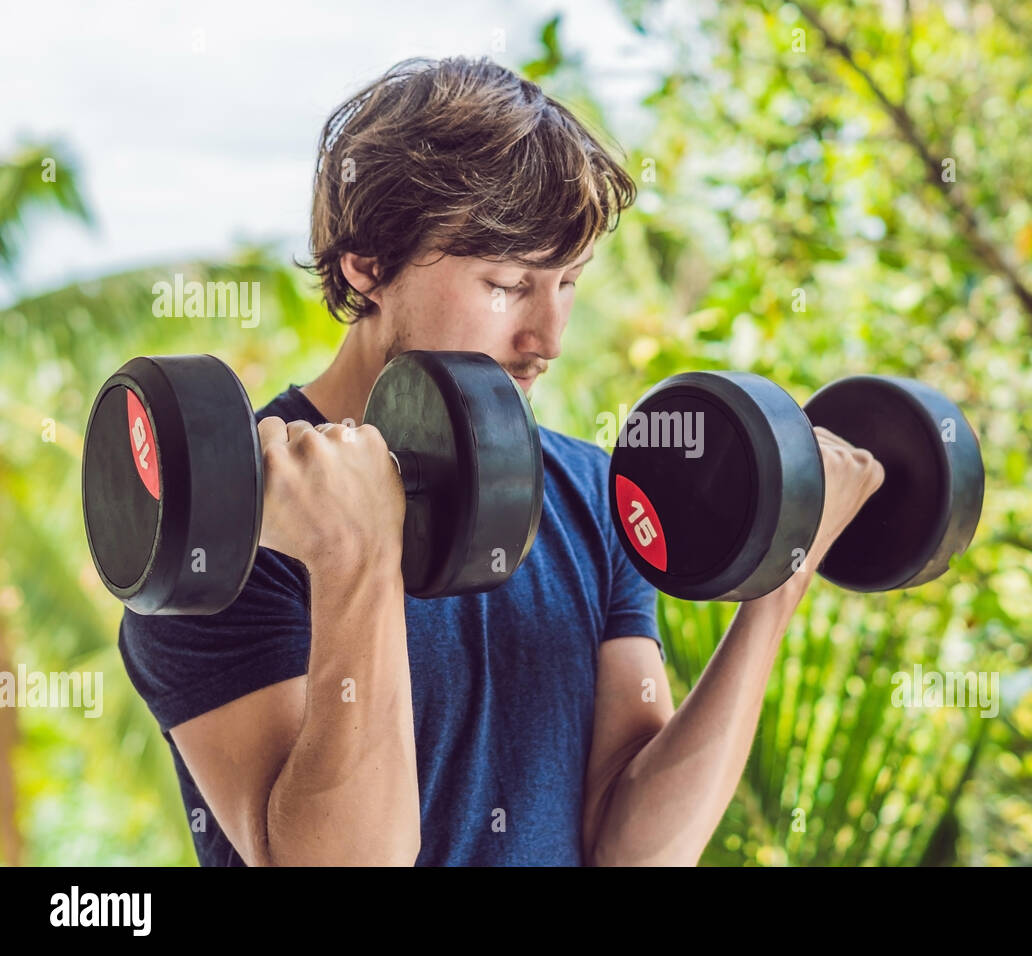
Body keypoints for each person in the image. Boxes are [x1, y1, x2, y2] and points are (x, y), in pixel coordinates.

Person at [119, 55, 884, 866]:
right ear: (369, 262)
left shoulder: (592, 494)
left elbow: (636, 850)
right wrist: (355, 558)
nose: (547, 341)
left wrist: (779, 584)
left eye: (568, 284)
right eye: (508, 285)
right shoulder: (236, 521)